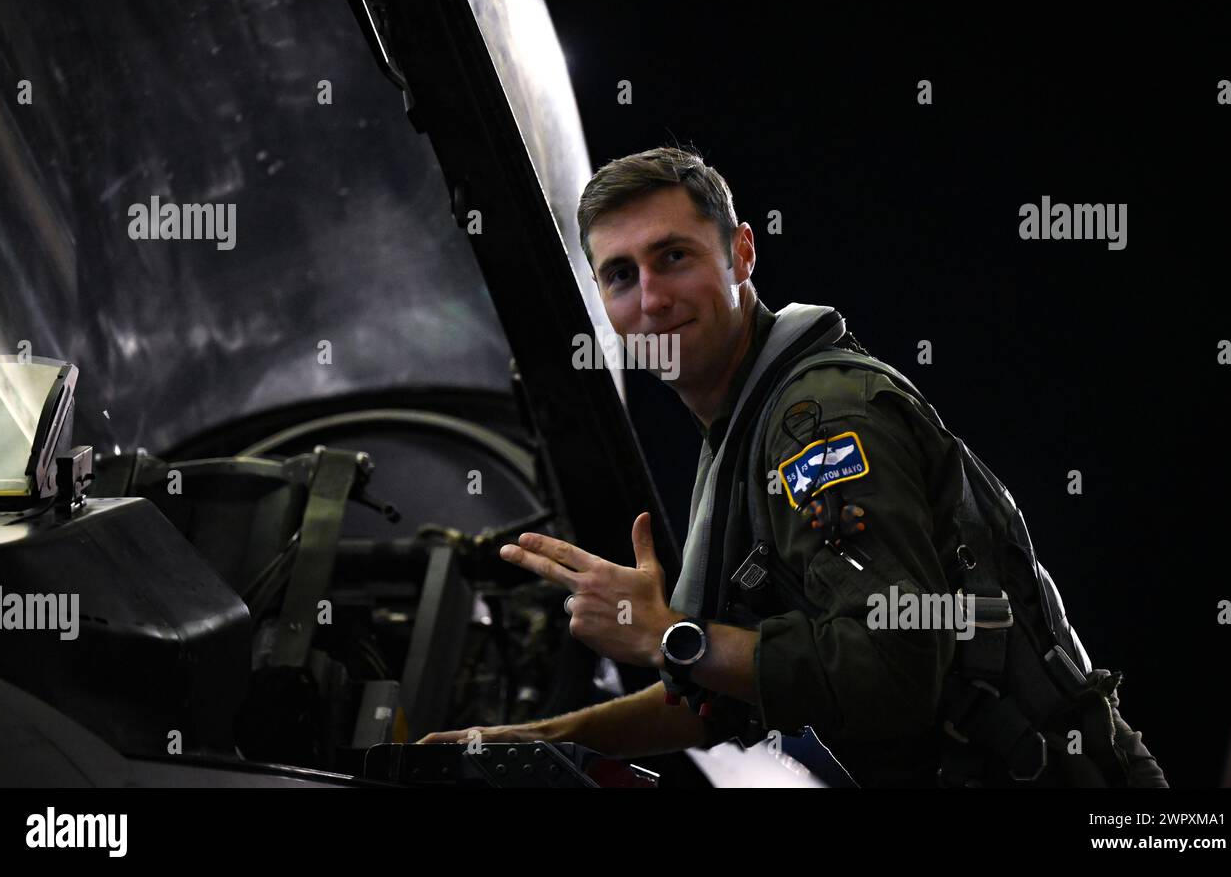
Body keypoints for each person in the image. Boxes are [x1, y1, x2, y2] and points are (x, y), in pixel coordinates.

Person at [419, 146, 1166, 786]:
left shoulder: (819, 420)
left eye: (673, 257)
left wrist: (673, 635)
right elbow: (720, 696)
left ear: (741, 253)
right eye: (619, 276)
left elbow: (891, 670)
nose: (651, 298)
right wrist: (530, 743)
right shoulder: (746, 427)